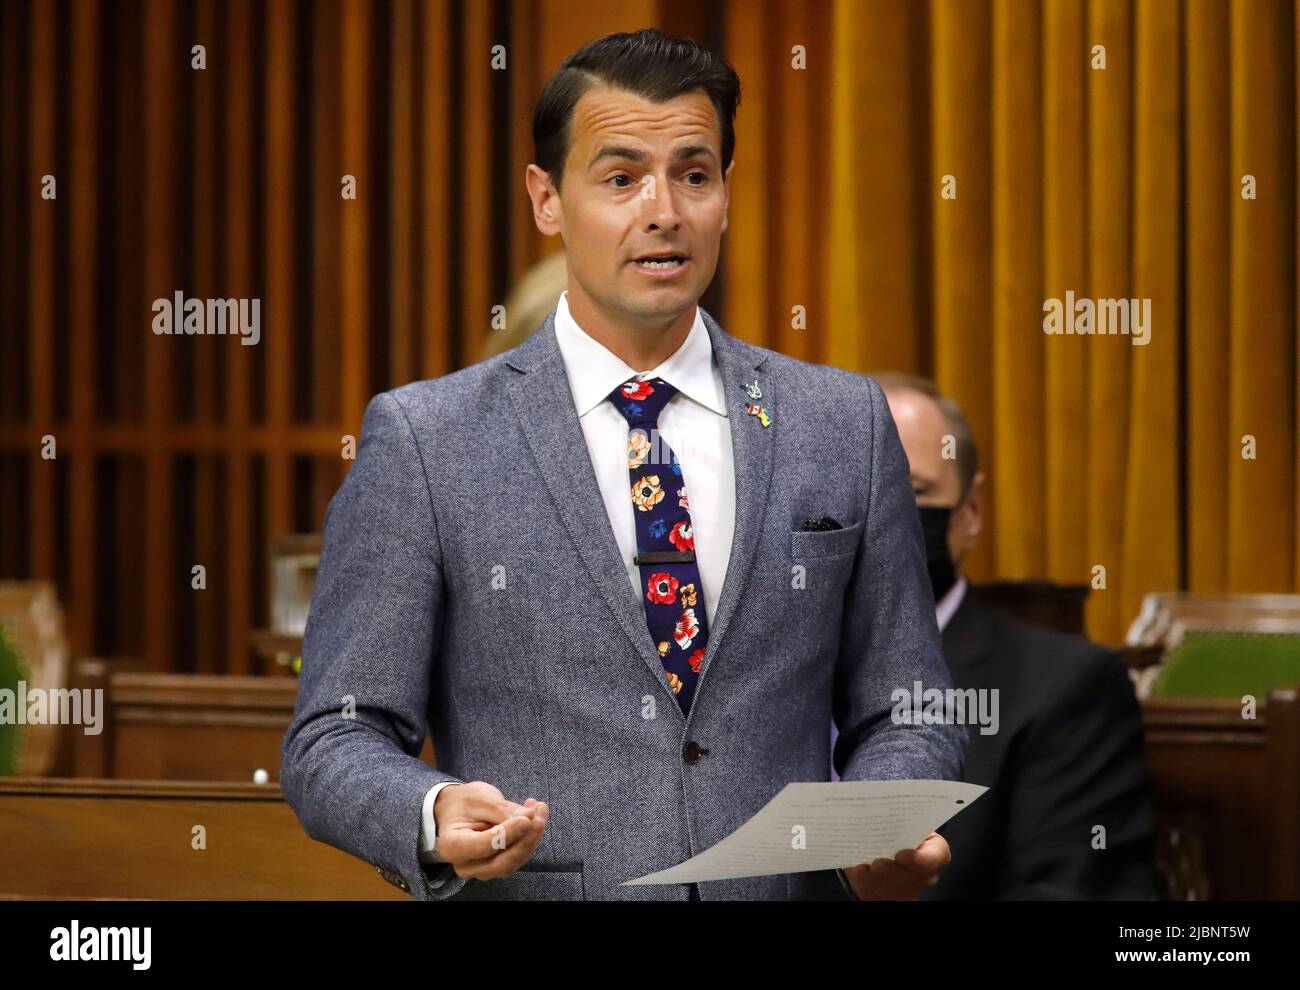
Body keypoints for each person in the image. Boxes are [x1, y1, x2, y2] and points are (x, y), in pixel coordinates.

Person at [281, 29, 964, 901]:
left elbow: (906, 705)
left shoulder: (839, 422)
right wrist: (432, 807)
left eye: (694, 173)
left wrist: (886, 816)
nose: (664, 212)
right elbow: (332, 737)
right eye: (619, 178)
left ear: (724, 193)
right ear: (546, 200)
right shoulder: (428, 439)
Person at [870, 372, 1155, 899]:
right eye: (847, 492)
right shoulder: (745, 673)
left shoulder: (1062, 689)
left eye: (911, 490)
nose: (875, 517)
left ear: (970, 510)